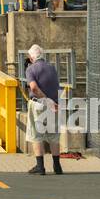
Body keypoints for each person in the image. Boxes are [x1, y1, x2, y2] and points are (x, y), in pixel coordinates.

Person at [24, 44, 63, 175]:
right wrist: (54, 102)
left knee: (37, 135)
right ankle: (57, 166)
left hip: (39, 104)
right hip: (54, 105)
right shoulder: (52, 68)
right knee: (54, 136)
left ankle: (40, 167)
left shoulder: (31, 69)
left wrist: (46, 99)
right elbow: (56, 86)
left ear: (31, 57)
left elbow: (34, 88)